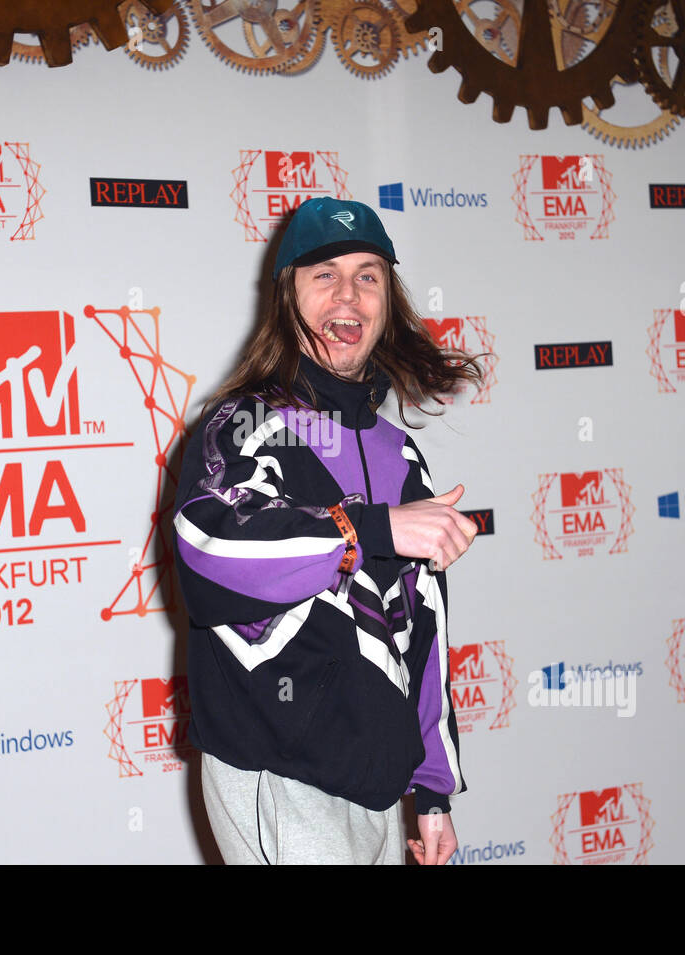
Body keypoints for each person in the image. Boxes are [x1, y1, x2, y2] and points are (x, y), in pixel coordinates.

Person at [172, 197, 487, 864]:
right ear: (288, 298)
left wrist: (432, 790)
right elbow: (210, 549)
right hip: (280, 769)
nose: (348, 293)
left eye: (368, 275)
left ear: (387, 302)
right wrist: (370, 528)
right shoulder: (241, 424)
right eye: (324, 273)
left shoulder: (400, 453)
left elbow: (423, 630)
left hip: (372, 783)